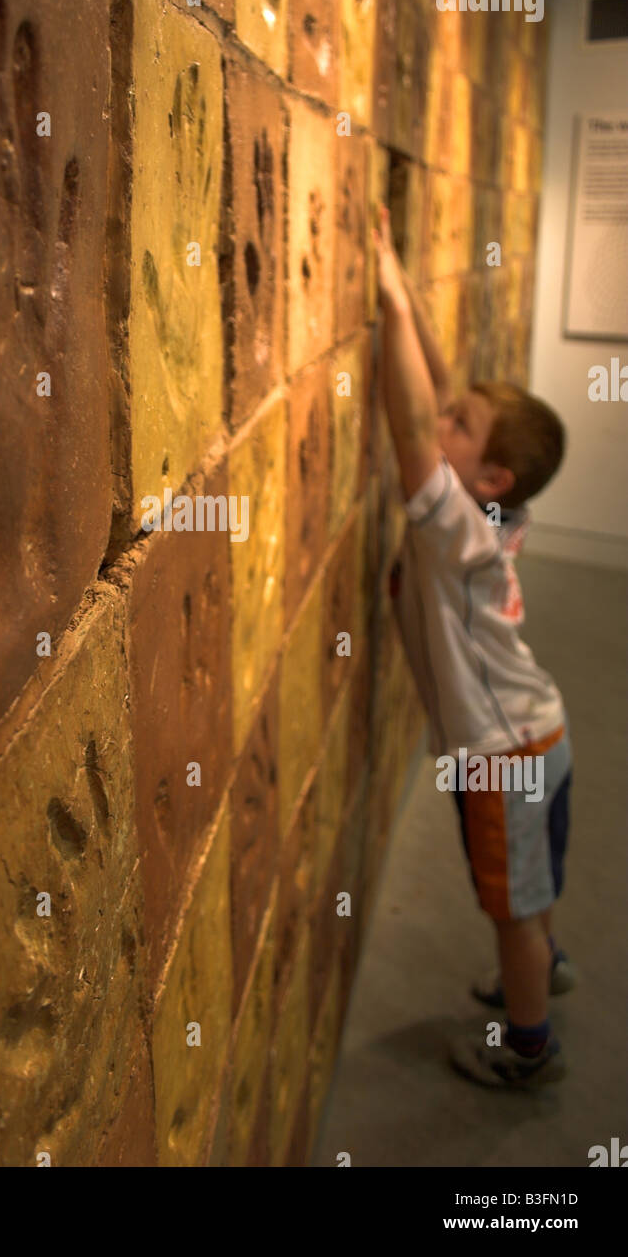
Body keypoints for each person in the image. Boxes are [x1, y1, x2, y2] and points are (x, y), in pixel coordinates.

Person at [372, 205, 574, 1087]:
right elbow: (443, 395)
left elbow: (413, 427)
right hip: (535, 737)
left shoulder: (457, 528)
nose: (443, 420)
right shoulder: (497, 505)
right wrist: (398, 275)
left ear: (486, 477)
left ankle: (529, 1050)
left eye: (461, 427)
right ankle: (544, 958)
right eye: (452, 415)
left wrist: (384, 299)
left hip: (506, 758)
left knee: (509, 908)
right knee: (528, 885)